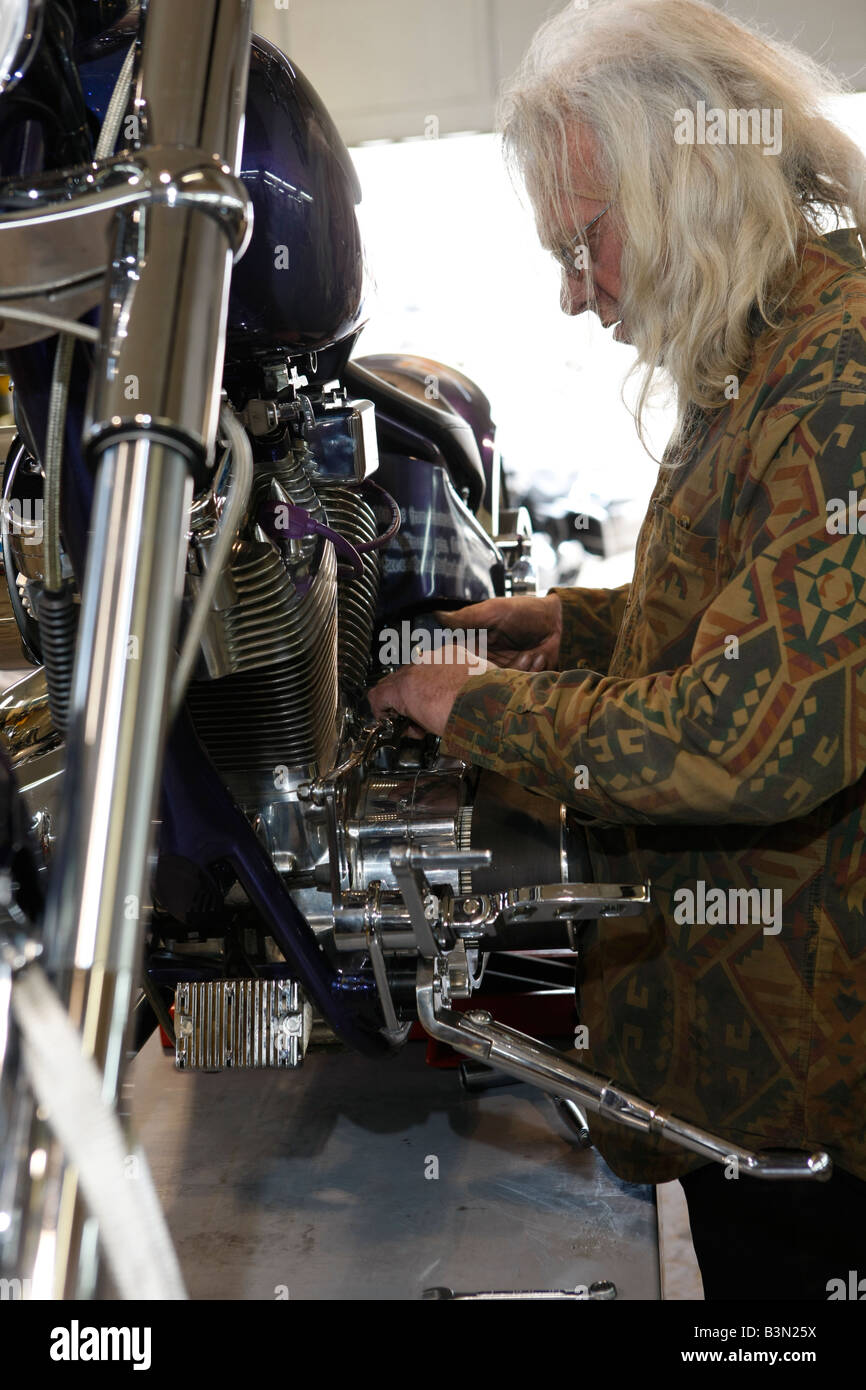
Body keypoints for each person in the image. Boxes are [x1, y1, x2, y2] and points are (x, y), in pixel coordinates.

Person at [368, 0, 866, 1300]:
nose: (575, 294)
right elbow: (743, 616)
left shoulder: (841, 385)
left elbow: (746, 740)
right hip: (750, 1069)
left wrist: (468, 709)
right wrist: (571, 624)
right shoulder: (765, 367)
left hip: (814, 1103)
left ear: (684, 174)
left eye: (580, 243)